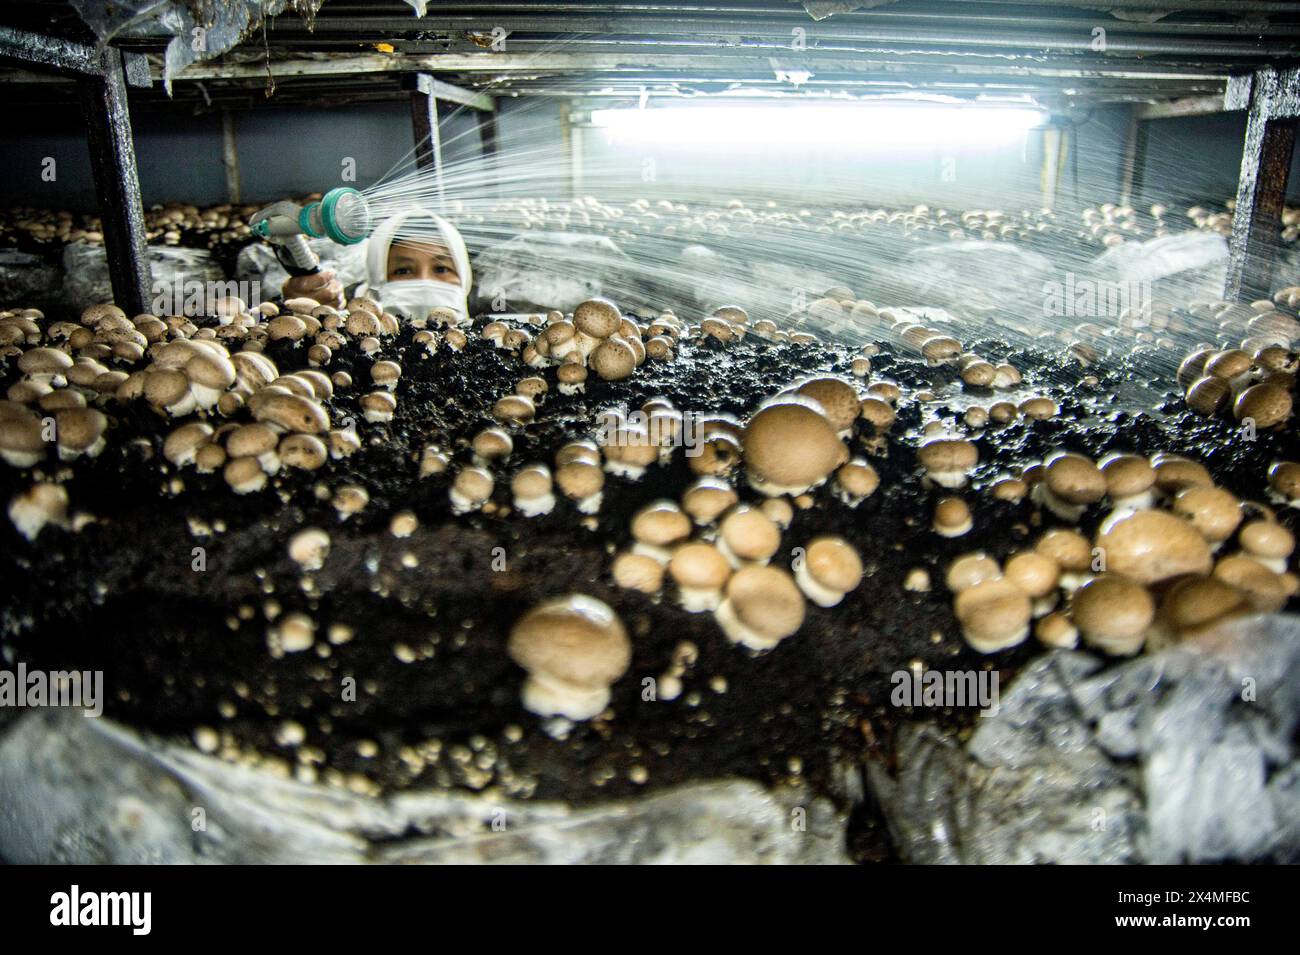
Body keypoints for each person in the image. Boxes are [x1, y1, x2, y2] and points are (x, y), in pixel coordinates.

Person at [280, 209, 472, 322]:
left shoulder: (489, 307)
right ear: (377, 274)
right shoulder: (348, 308)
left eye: (441, 268)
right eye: (403, 271)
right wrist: (311, 311)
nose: (424, 281)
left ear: (464, 275)